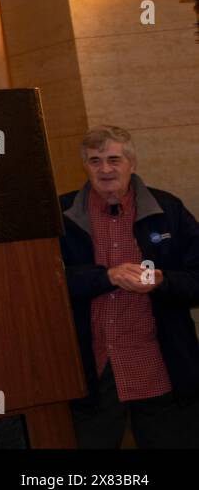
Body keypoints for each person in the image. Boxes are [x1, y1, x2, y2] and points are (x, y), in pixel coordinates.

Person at [59, 125, 199, 447]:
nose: (105, 169)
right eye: (95, 161)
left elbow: (197, 277)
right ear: (85, 166)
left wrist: (161, 280)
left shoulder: (168, 210)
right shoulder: (62, 215)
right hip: (93, 370)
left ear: (131, 163)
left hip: (161, 364)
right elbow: (45, 285)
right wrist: (104, 277)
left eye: (113, 159)